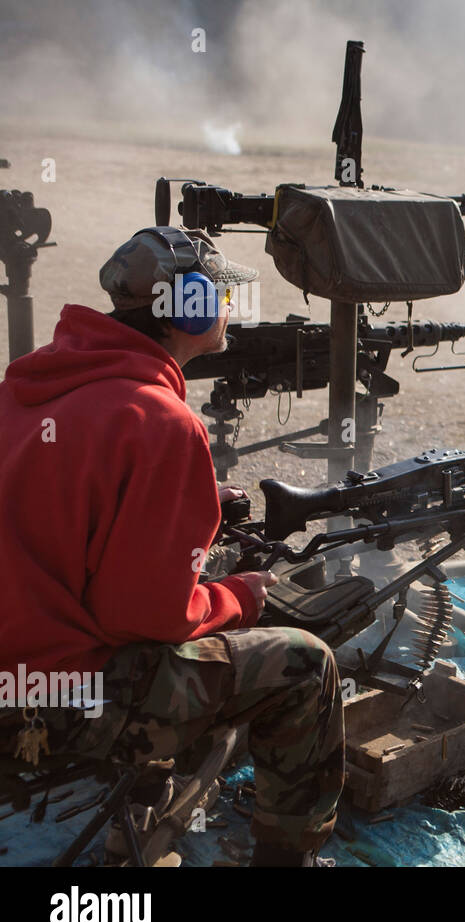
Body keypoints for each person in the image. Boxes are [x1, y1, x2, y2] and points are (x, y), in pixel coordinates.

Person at [0, 227, 343, 866]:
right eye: (220, 296)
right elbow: (147, 619)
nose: (229, 310)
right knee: (305, 664)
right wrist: (236, 598)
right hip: (50, 701)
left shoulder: (29, 388)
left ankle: (142, 800)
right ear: (192, 309)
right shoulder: (161, 420)